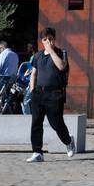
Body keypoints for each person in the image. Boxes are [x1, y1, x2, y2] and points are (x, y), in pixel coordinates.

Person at [26, 27, 75, 162]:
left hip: (55, 94)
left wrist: (51, 50)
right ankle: (37, 152)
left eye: (50, 39)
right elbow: (34, 74)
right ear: (41, 41)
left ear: (54, 39)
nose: (48, 41)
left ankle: (68, 140)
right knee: (36, 123)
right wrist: (32, 90)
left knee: (56, 123)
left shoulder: (61, 53)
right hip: (38, 94)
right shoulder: (37, 56)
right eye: (45, 39)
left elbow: (61, 66)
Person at [0, 39, 19, 104]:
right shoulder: (15, 54)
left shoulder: (3, 53)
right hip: (13, 78)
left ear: (2, 47)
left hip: (4, 78)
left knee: (1, 97)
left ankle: (0, 111)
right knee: (9, 97)